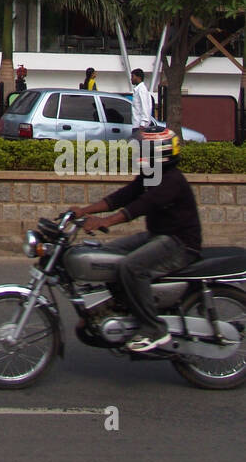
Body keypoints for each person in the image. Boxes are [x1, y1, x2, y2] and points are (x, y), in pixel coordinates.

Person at [73, 147, 202, 353]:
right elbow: (123, 197)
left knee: (132, 267)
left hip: (180, 243)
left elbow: (139, 206)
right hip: (158, 235)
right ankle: (124, 306)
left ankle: (155, 329)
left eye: (147, 149)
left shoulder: (171, 180)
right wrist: (83, 211)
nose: (141, 153)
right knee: (106, 256)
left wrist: (103, 222)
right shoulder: (153, 174)